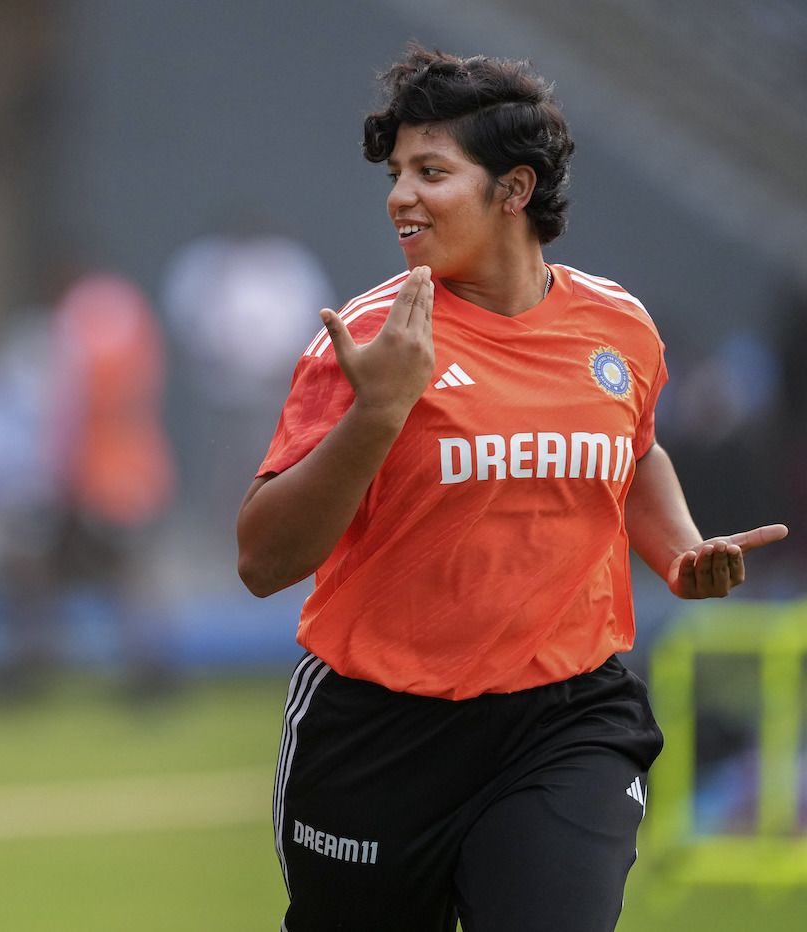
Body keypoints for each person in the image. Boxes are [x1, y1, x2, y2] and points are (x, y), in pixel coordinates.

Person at [235, 47, 788, 932]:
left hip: (564, 724)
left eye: (431, 171)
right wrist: (378, 411)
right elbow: (262, 561)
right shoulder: (371, 339)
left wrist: (680, 551)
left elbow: (633, 451)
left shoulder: (619, 326)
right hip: (379, 735)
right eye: (396, 173)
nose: (400, 196)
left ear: (514, 189)